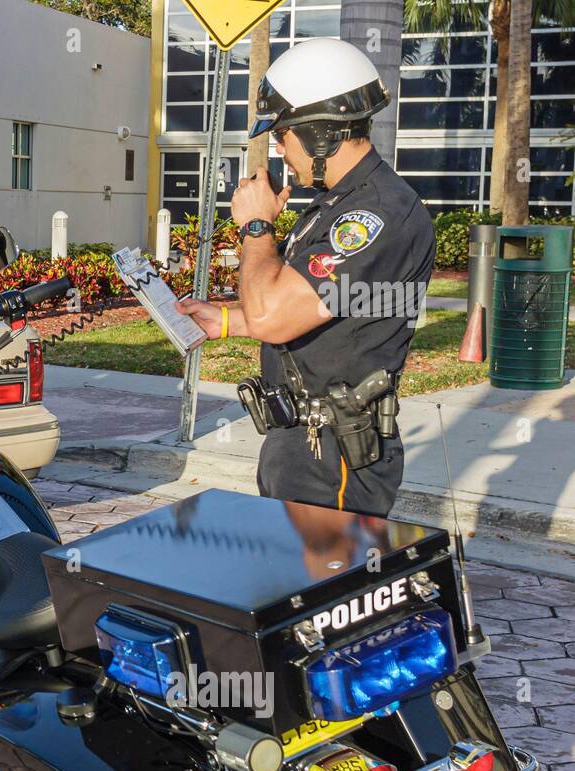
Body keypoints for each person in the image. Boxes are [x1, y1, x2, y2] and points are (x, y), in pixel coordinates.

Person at [176, 37, 435, 518]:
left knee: (320, 584)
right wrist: (227, 321)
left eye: (283, 133)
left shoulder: (373, 216)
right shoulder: (336, 206)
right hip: (305, 440)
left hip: (335, 452)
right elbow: (311, 306)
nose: (278, 147)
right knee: (289, 581)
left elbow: (275, 315)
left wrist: (257, 227)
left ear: (320, 133)